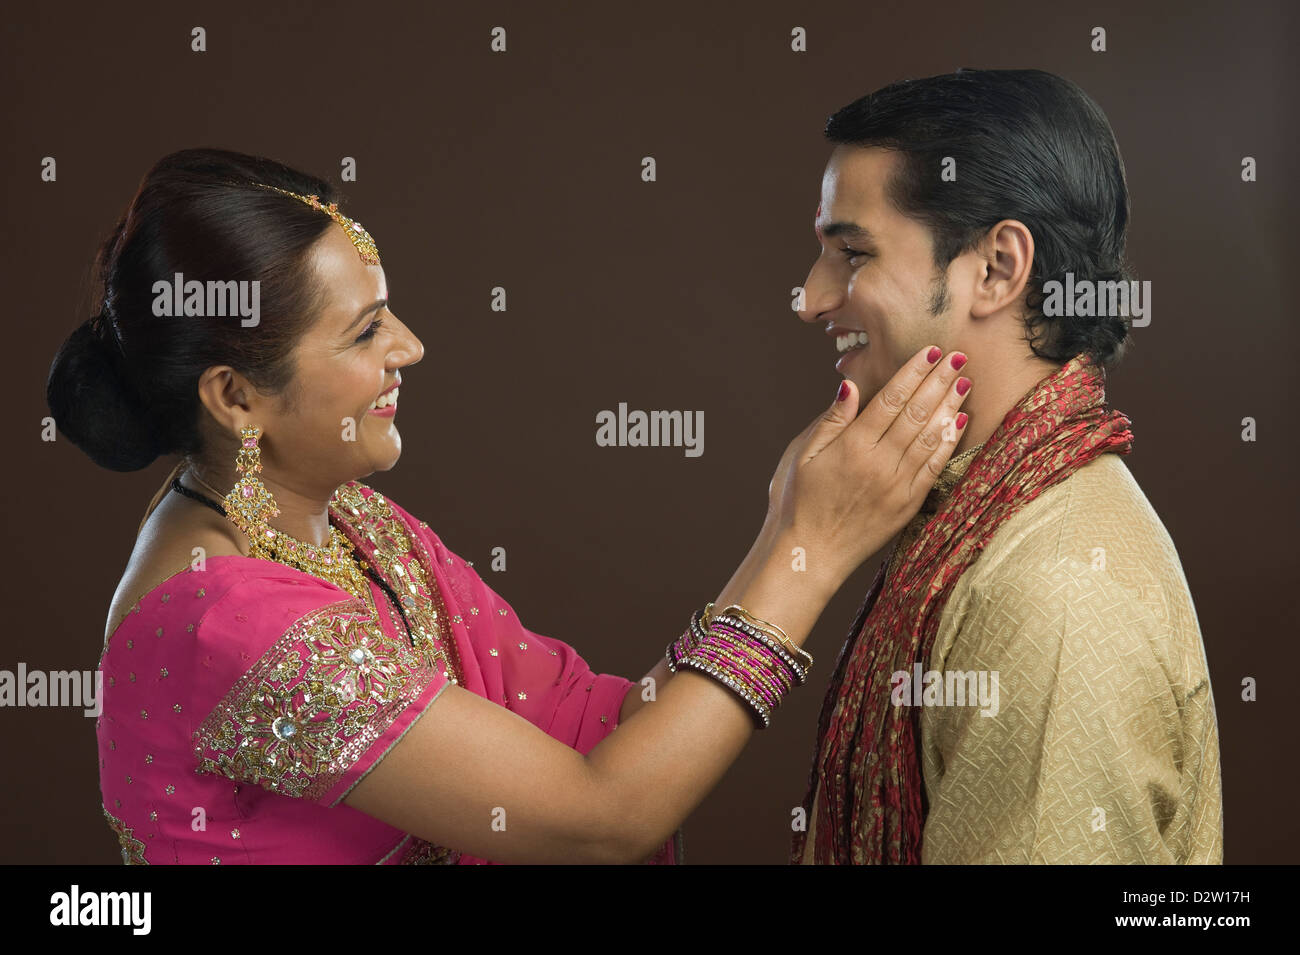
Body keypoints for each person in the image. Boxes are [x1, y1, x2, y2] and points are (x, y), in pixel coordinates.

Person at [47, 148, 974, 864]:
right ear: (236, 398)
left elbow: (596, 733)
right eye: (366, 331)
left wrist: (783, 522)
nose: (410, 346)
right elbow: (601, 815)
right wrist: (808, 549)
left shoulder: (348, 523)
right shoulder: (226, 622)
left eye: (390, 310)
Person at [790, 69, 1224, 864]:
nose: (811, 299)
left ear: (996, 269)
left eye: (851, 254)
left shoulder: (1055, 590)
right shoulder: (972, 516)